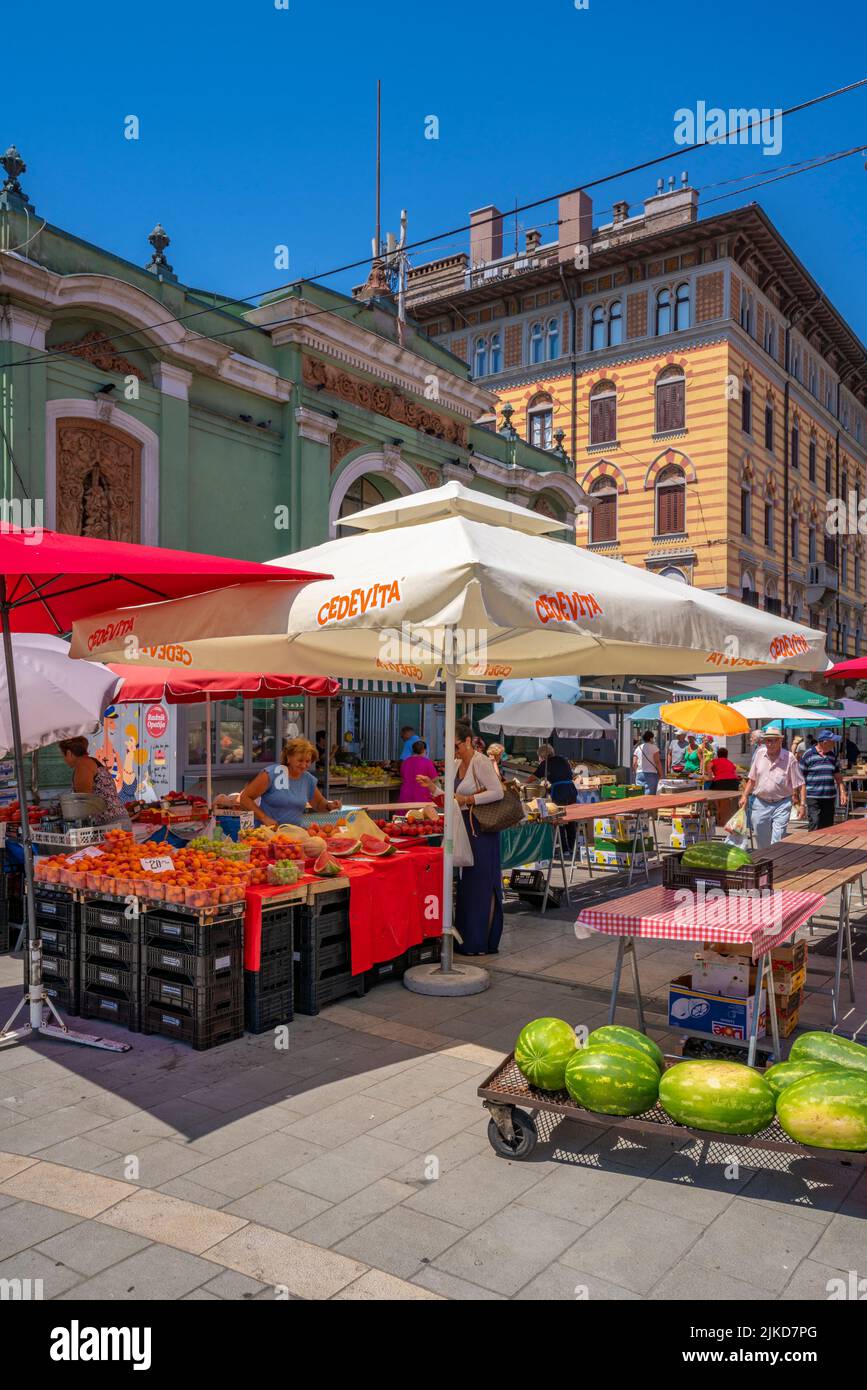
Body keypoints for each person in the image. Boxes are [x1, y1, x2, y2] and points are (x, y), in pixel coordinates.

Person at [417, 718, 505, 955]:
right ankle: (466, 940)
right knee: (466, 884)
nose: (454, 751)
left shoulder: (481, 761)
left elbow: (497, 791)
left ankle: (483, 941)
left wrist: (470, 799)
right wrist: (432, 788)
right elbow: (451, 798)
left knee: (483, 884)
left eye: (456, 745)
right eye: (449, 747)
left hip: (483, 828)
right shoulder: (455, 765)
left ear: (468, 741)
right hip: (464, 826)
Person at [240, 737, 340, 829]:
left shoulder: (308, 779)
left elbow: (318, 804)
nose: (304, 765)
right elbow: (245, 798)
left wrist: (329, 805)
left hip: (293, 836)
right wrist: (264, 818)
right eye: (300, 760)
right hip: (265, 834)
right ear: (288, 758)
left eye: (308, 761)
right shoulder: (271, 774)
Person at [739, 728, 805, 849]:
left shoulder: (789, 758)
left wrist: (802, 805)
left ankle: (775, 863)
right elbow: (752, 779)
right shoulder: (759, 754)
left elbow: (800, 784)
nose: (770, 744)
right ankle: (766, 860)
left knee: (778, 839)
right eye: (768, 740)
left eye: (774, 741)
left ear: (780, 741)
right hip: (760, 802)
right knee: (760, 837)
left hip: (782, 803)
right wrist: (744, 796)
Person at [58, 737, 132, 828]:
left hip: (110, 824)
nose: (64, 760)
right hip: (118, 820)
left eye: (63, 755)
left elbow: (83, 802)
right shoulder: (92, 762)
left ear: (69, 753)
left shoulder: (83, 765)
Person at [801, 729, 847, 831]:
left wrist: (843, 792)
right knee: (815, 822)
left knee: (828, 826)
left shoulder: (831, 756)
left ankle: (825, 847)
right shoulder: (808, 755)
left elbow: (838, 777)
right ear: (825, 742)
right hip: (813, 797)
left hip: (829, 797)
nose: (835, 744)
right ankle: (812, 846)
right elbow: (801, 779)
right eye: (833, 741)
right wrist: (801, 802)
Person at [399, 739, 438, 804]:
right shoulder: (427, 762)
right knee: (420, 814)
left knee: (406, 814)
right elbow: (434, 778)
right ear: (424, 750)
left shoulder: (405, 762)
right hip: (422, 796)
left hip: (406, 796)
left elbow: (403, 777)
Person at [709, 745, 741, 825]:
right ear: (726, 755)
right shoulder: (730, 762)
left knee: (713, 795)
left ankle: (718, 813)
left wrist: (710, 776)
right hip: (734, 782)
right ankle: (729, 818)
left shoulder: (714, 761)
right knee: (731, 801)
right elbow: (734, 771)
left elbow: (709, 766)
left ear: (718, 754)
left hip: (720, 782)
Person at [633, 730, 662, 794]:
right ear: (651, 738)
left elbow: (634, 763)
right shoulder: (654, 748)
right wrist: (660, 773)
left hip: (639, 773)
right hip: (651, 773)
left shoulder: (638, 748)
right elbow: (657, 762)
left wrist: (636, 772)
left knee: (639, 793)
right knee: (649, 796)